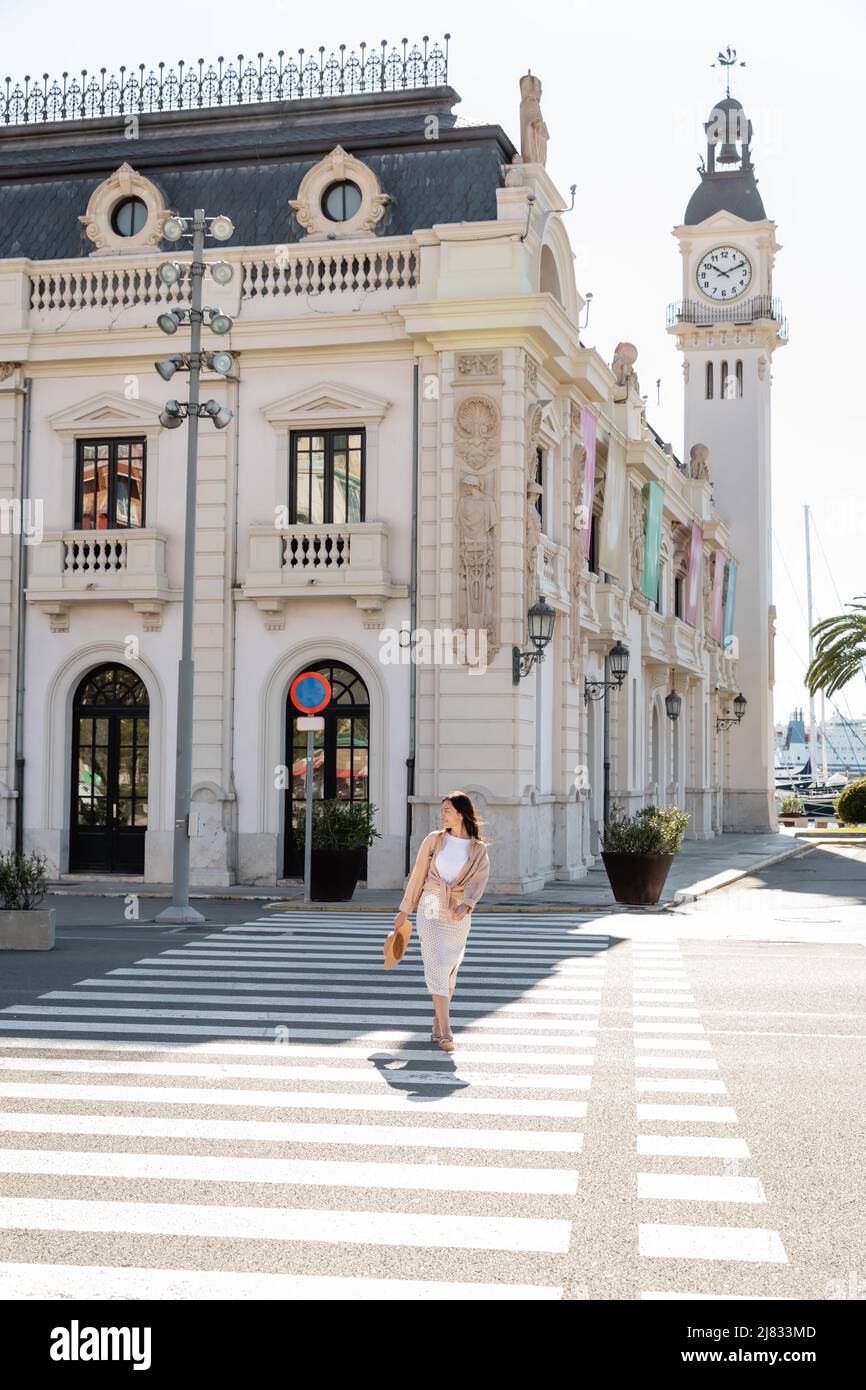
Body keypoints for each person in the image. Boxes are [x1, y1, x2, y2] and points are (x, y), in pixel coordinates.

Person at [391, 792, 490, 1053]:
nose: (441, 813)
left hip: (457, 909)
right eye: (441, 810)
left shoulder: (477, 849)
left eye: (446, 809)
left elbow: (479, 880)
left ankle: (436, 1021)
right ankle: (446, 1029)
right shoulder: (434, 841)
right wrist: (404, 910)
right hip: (431, 903)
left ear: (460, 812)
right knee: (435, 962)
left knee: (449, 968)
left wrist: (467, 903)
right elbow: (417, 876)